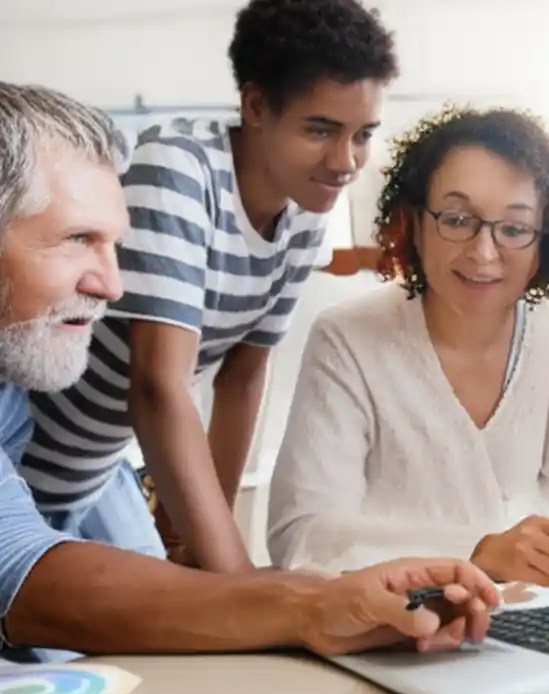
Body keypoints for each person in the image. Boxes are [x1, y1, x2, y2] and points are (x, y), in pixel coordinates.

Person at [0, 80, 498, 663]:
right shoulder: (182, 172)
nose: (112, 286)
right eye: (77, 239)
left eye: (113, 243)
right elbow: (20, 577)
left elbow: (243, 376)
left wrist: (323, 597)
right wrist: (309, 604)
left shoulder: (11, 382)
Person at [20, 0, 399, 573]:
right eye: (320, 130)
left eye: (363, 134)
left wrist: (206, 545)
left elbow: (242, 379)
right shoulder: (178, 168)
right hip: (24, 468)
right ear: (255, 105)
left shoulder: (305, 208)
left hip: (97, 475)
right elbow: (157, 387)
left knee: (183, 623)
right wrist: (234, 579)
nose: (345, 161)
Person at [266, 107, 549, 587]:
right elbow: (302, 536)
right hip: (395, 622)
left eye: (513, 228)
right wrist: (475, 552)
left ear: (544, 243)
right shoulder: (347, 338)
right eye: (457, 219)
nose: (483, 253)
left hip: (529, 620)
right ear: (414, 224)